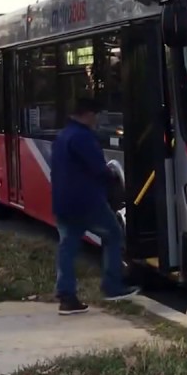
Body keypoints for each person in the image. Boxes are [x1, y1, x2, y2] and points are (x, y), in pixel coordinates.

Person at [51, 97, 139, 314]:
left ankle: (66, 296)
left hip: (63, 202)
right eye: (96, 114)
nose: (98, 119)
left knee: (68, 247)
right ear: (88, 114)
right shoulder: (83, 137)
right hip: (87, 202)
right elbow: (99, 169)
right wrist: (113, 177)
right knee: (113, 234)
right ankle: (112, 286)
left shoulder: (62, 136)